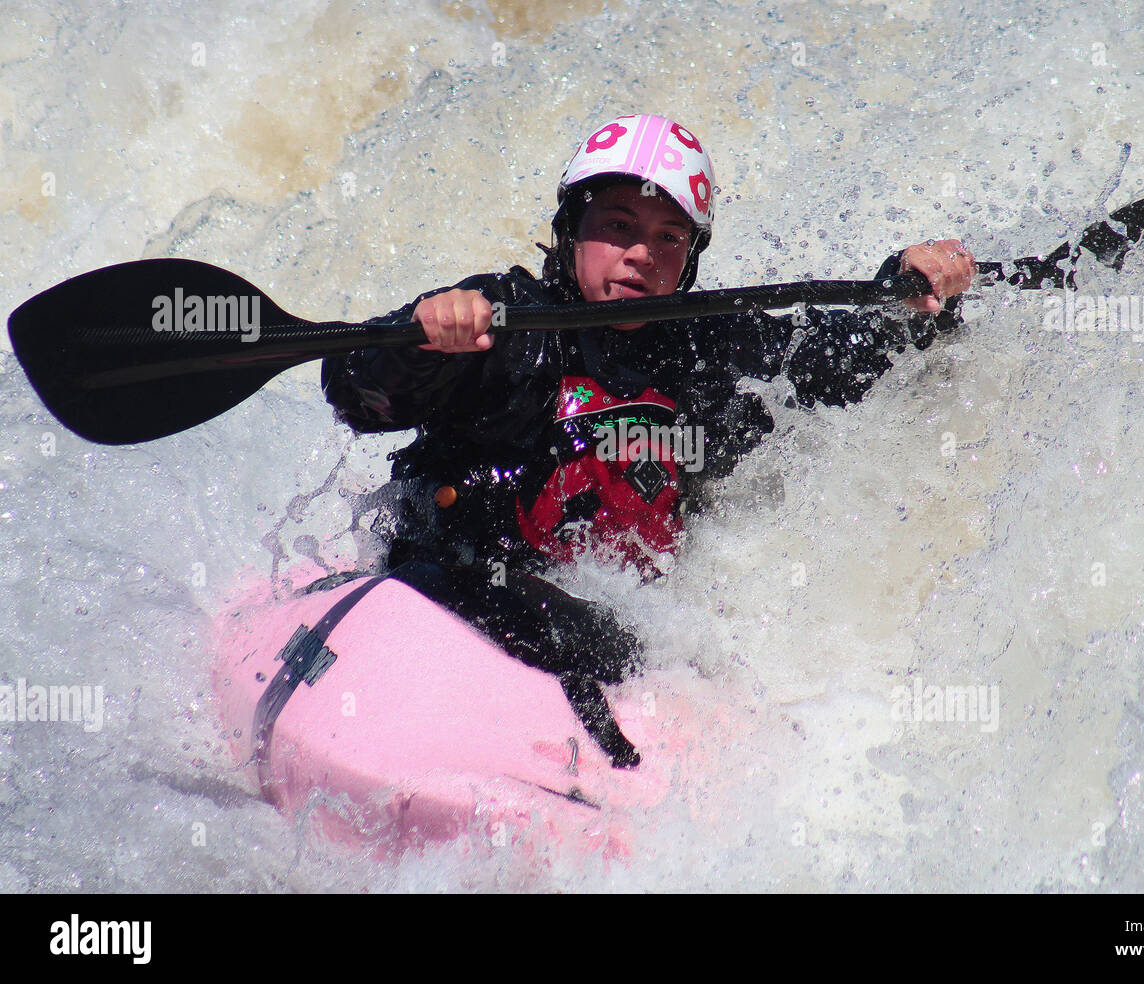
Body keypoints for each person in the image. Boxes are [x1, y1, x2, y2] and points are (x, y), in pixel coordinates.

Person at [321, 114, 974, 756]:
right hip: (445, 597)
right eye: (619, 226)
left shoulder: (707, 352)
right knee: (489, 591)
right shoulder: (504, 320)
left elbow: (838, 361)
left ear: (689, 260)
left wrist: (906, 299)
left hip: (606, 636)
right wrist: (424, 342)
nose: (642, 253)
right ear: (572, 229)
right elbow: (358, 391)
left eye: (669, 238)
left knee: (643, 642)